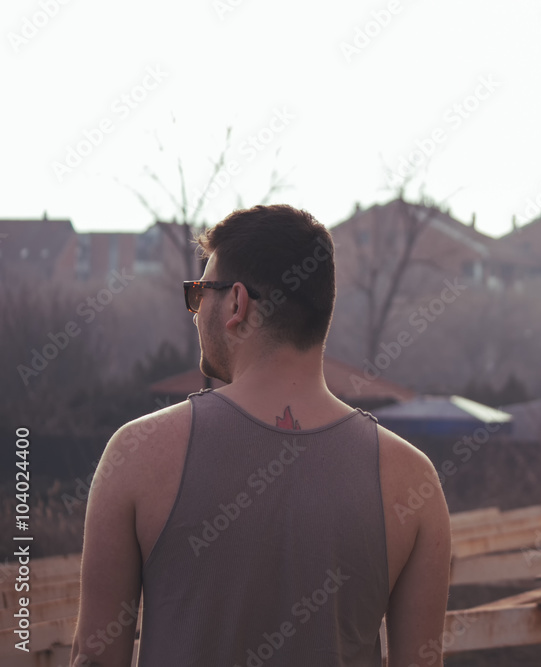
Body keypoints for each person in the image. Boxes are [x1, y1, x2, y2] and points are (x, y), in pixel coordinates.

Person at [71, 204, 451, 666]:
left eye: (199, 293)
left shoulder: (137, 455)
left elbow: (94, 660)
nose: (195, 314)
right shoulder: (412, 480)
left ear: (236, 303)